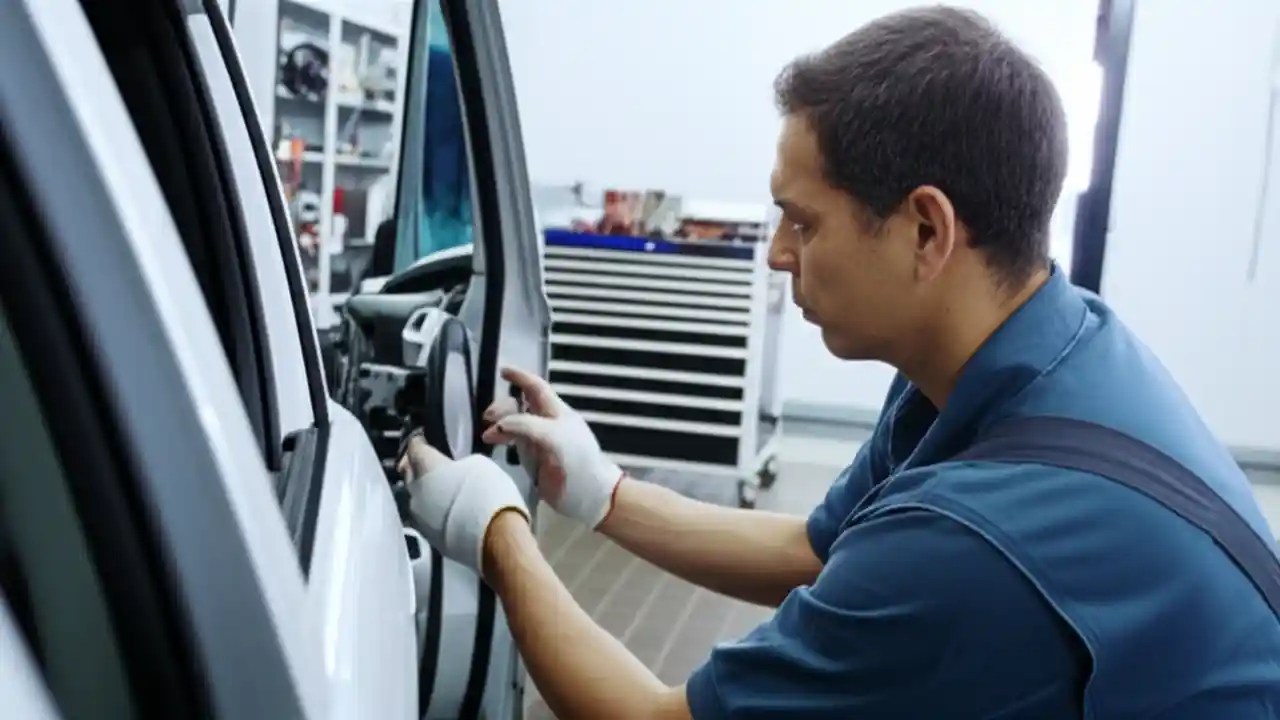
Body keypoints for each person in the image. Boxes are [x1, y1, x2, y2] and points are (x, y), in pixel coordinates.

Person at [399, 6, 1280, 719]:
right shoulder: (1039, 348)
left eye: (803, 221)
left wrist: (495, 534)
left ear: (926, 230)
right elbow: (815, 551)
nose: (777, 254)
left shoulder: (976, 542)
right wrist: (603, 493)